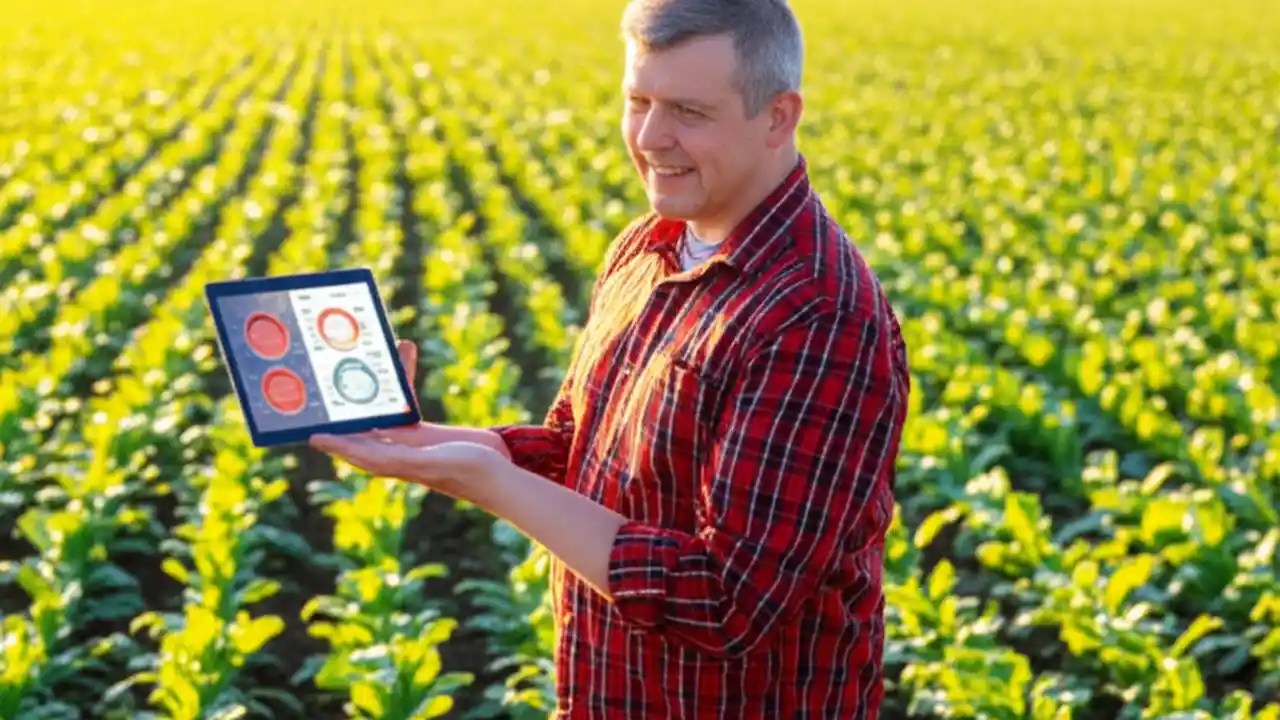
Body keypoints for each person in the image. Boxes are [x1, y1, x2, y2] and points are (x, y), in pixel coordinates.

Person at [309, 0, 911, 716]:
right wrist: (430, 442)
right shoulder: (647, 246)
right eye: (638, 101)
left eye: (689, 110)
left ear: (778, 116)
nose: (652, 137)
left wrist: (488, 484)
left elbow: (726, 602)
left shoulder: (817, 316)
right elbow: (578, 446)